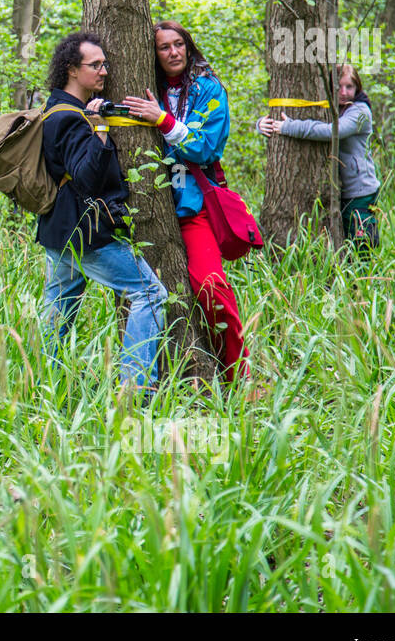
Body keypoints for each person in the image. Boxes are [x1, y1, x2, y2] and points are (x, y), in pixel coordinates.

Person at [38, 32, 168, 393]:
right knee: (150, 295)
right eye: (95, 65)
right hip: (85, 233)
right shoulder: (67, 118)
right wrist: (99, 129)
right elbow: (85, 178)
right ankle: (135, 389)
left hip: (59, 230)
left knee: (59, 308)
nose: (104, 71)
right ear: (71, 69)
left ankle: (46, 387)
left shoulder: (58, 107)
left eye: (105, 64)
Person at [122, 20, 249, 383]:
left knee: (210, 285)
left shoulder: (209, 89)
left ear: (188, 47)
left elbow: (206, 146)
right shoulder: (145, 86)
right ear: (154, 53)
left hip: (193, 206)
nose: (173, 52)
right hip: (145, 208)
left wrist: (162, 120)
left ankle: (239, 373)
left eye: (179, 44)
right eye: (164, 47)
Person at [257, 63, 381, 255]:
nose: (343, 92)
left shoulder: (360, 112)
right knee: (346, 241)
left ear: (358, 88)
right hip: (343, 189)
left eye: (349, 87)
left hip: (360, 190)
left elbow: (332, 131)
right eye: (338, 86)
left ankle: (366, 281)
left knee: (361, 243)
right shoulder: (334, 108)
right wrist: (263, 124)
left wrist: (289, 127)